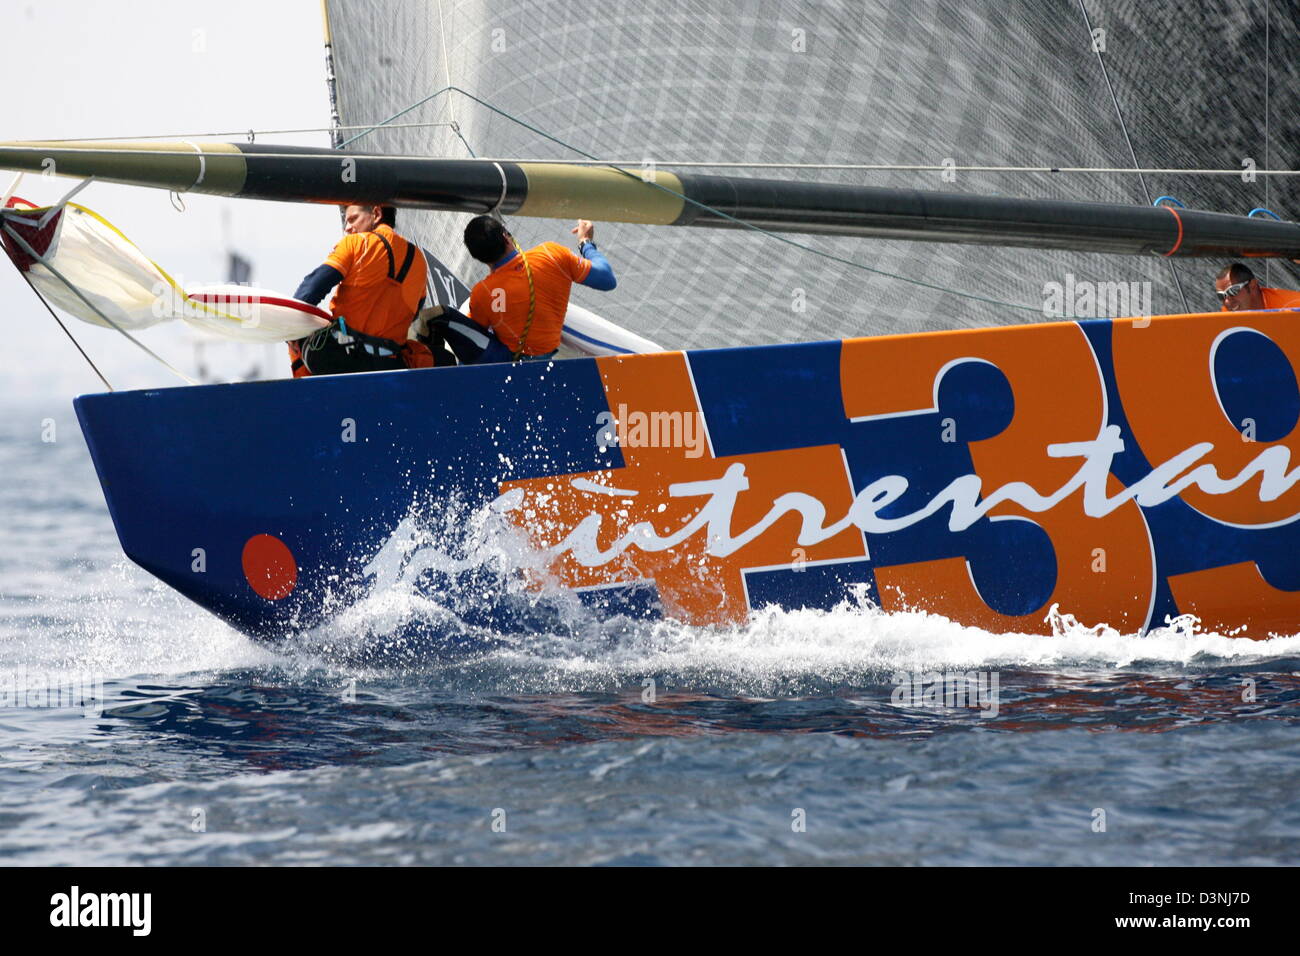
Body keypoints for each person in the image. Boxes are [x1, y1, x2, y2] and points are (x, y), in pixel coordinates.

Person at [287, 203, 432, 377]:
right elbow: (415, 313)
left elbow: (308, 292)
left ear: (376, 213)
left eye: (353, 219)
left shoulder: (356, 243)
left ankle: (309, 395)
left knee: (293, 326)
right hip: (390, 363)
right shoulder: (419, 260)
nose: (348, 228)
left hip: (342, 357)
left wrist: (290, 332)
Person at [456, 215, 617, 364]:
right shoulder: (551, 254)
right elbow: (607, 279)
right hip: (545, 356)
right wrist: (585, 242)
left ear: (478, 257)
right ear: (506, 236)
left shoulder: (482, 293)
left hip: (511, 365)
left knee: (464, 311)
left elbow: (475, 339)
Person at [1214, 262, 1300, 312]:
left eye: (1232, 291)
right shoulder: (1227, 313)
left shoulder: (1294, 306)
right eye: (1221, 296)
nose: (1227, 302)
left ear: (1252, 285)